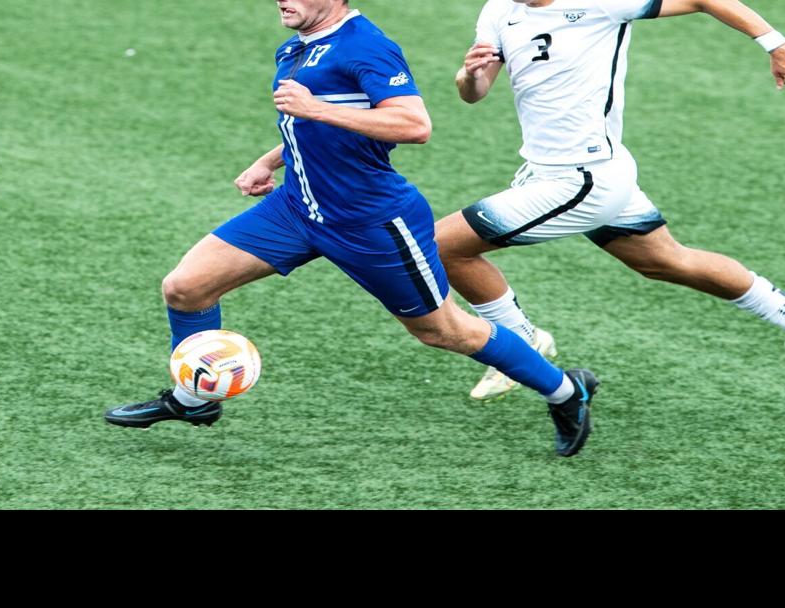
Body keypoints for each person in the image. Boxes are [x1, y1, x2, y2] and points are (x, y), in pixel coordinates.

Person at [105, 0, 600, 457]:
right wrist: (270, 160)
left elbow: (413, 125)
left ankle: (564, 389)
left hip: (371, 221)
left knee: (444, 330)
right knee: (186, 287)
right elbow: (315, 123)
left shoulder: (366, 45)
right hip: (297, 208)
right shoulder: (297, 46)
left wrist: (314, 107)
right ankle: (194, 400)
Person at [439, 0, 785, 401]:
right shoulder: (499, 10)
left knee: (444, 246)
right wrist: (470, 74)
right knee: (665, 261)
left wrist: (777, 45)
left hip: (584, 178)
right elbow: (474, 92)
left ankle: (520, 343)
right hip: (564, 172)